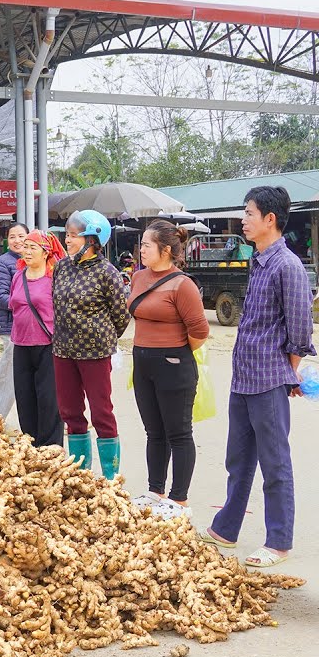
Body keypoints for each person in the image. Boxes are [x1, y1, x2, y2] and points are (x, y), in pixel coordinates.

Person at [200, 186, 315, 568]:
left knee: (274, 462)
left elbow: (300, 330)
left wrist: (290, 373)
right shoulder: (259, 259)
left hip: (268, 379)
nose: (244, 219)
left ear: (270, 219)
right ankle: (226, 528)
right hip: (243, 377)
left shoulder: (288, 266)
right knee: (239, 458)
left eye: (249, 213)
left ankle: (278, 541)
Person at [129, 220, 209, 521]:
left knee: (178, 432)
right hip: (143, 361)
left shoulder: (182, 284)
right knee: (154, 431)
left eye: (147, 245)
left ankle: (179, 500)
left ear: (165, 250)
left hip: (174, 365)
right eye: (142, 244)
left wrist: (172, 349)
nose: (141, 249)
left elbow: (199, 331)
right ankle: (155, 491)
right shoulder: (138, 278)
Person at [53, 209, 130, 479]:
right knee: (70, 411)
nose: (67, 240)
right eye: (67, 235)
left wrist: (101, 336)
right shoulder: (62, 267)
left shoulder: (107, 273)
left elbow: (121, 315)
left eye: (73, 236)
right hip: (62, 351)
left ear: (92, 240)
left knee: (101, 412)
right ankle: (81, 474)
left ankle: (110, 477)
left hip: (95, 353)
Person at [9, 230, 66, 447]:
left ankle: (50, 448)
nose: (27, 251)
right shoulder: (18, 276)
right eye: (25, 247)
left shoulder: (54, 278)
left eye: (33, 248)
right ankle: (31, 445)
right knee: (25, 397)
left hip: (48, 345)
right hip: (21, 344)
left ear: (46, 253)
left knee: (49, 399)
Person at [0, 223, 29, 422]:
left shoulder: (35, 261)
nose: (17, 241)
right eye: (12, 237)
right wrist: (26, 304)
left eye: (21, 236)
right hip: (12, 328)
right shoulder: (3, 264)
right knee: (8, 375)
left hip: (35, 328)